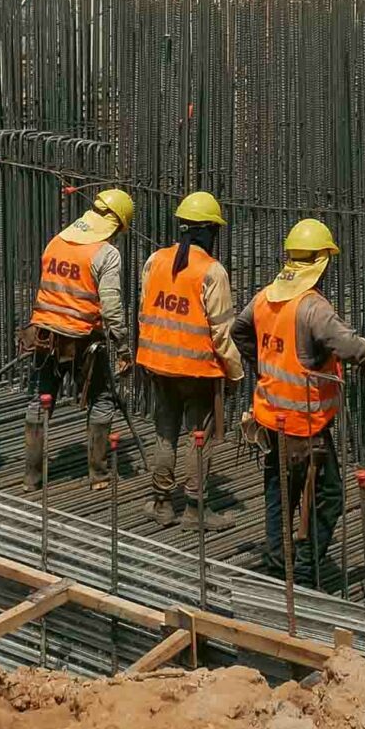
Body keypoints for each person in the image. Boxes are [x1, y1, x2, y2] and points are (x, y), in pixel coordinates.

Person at [231, 218, 365, 591]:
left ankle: (276, 562)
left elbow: (239, 330)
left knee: (279, 494)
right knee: (328, 496)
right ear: (320, 262)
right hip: (304, 423)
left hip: (271, 416)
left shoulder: (265, 296)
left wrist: (263, 367)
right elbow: (344, 343)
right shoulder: (312, 306)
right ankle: (303, 568)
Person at [134, 190, 245, 526]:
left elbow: (143, 311)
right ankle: (195, 510)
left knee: (165, 433)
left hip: (158, 365)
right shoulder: (212, 271)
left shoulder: (155, 260)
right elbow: (222, 332)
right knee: (199, 438)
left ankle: (162, 504)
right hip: (197, 371)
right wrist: (235, 373)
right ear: (209, 231)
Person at [25, 186, 134, 489]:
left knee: (41, 400)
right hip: (84, 340)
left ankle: (31, 476)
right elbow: (112, 308)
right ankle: (98, 475)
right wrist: (124, 349)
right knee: (101, 400)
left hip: (45, 336)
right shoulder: (106, 253)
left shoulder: (56, 241)